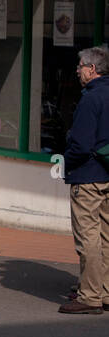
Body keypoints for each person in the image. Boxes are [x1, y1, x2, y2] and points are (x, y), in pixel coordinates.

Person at [60, 46, 109, 314]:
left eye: (80, 66)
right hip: (106, 173)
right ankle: (104, 290)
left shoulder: (91, 99)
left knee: (88, 236)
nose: (78, 70)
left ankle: (90, 296)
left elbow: (80, 144)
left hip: (89, 176)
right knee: (106, 235)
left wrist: (69, 159)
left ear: (92, 70)